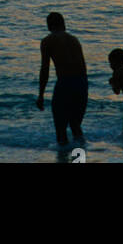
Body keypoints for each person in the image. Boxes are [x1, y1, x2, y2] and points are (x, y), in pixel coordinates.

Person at [36, 13, 88, 145]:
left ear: (49, 26)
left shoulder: (48, 41)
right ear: (63, 24)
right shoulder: (74, 40)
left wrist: (41, 94)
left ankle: (62, 158)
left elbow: (45, 69)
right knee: (75, 126)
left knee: (61, 129)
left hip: (65, 83)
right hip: (82, 83)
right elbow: (83, 66)